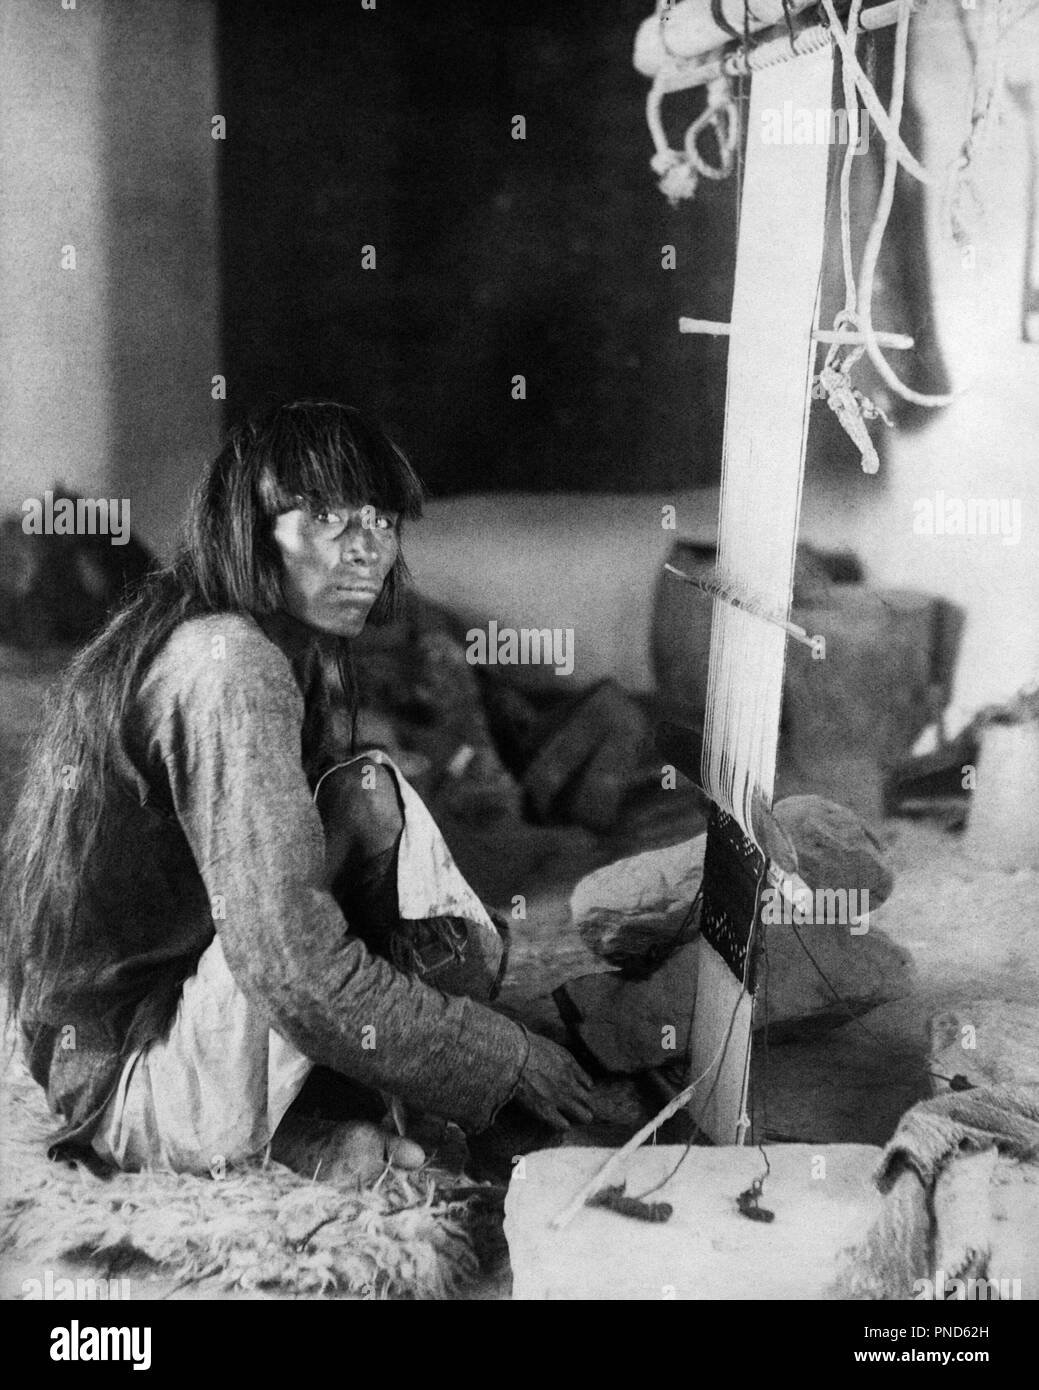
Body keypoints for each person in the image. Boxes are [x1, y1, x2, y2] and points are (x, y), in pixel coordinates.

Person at [1, 401, 593, 1181]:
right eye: (321, 517)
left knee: (362, 794)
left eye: (380, 519)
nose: (364, 550)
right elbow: (289, 967)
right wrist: (500, 1060)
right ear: (246, 530)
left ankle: (345, 1118)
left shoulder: (251, 635)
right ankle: (356, 1118)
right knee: (363, 824)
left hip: (143, 1030)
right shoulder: (227, 662)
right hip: (128, 1080)